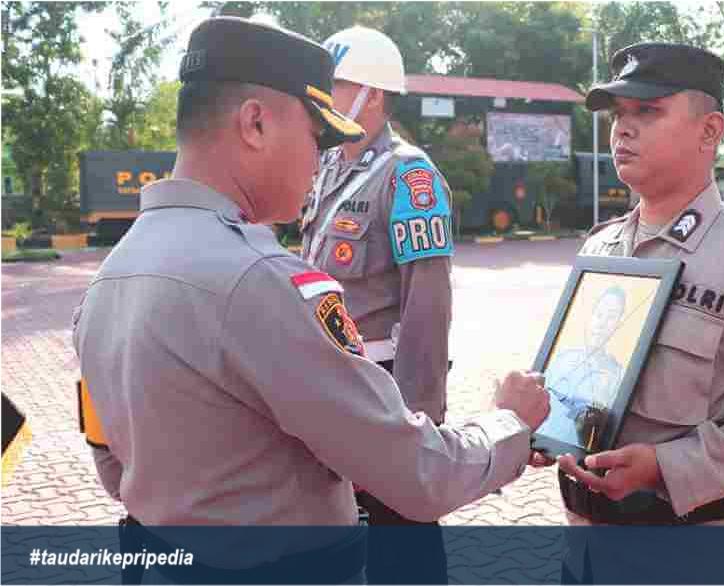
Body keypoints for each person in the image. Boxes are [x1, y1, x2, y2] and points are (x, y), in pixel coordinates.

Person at [71, 17, 549, 583]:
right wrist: (510, 422)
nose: (320, 157)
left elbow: (113, 465)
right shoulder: (258, 282)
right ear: (255, 124)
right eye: (315, 136)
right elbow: (421, 474)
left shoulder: (108, 281)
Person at [542, 42, 724, 584]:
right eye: (619, 114)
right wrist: (542, 422)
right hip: (583, 547)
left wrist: (667, 467)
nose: (623, 129)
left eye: (648, 111)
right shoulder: (602, 247)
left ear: (709, 130)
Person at [299, 26, 457, 584]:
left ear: (373, 94)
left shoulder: (409, 176)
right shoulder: (328, 165)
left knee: (401, 539)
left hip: (383, 388)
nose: (323, 96)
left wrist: (417, 421)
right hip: (329, 384)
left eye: (336, 85)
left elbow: (428, 307)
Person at [536, 286, 627, 452]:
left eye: (611, 317)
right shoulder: (562, 357)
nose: (602, 324)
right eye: (599, 315)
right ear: (590, 317)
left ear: (618, 324)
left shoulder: (617, 375)